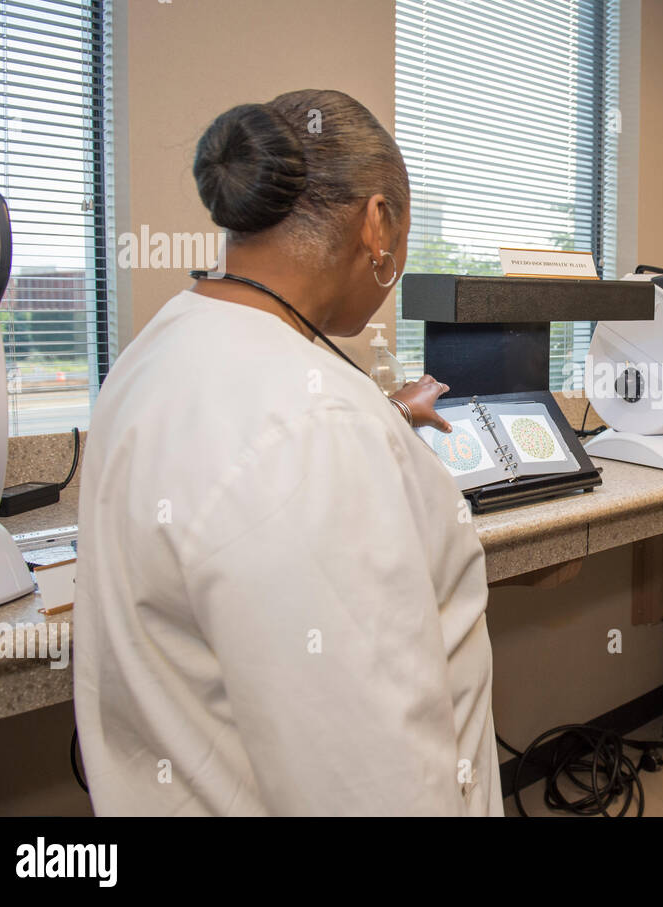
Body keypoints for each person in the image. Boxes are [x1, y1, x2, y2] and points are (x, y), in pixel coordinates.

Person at [74, 89, 502, 815]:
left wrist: (383, 415)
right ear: (377, 222)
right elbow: (373, 783)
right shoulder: (318, 429)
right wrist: (356, 425)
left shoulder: (156, 349)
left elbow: (248, 458)